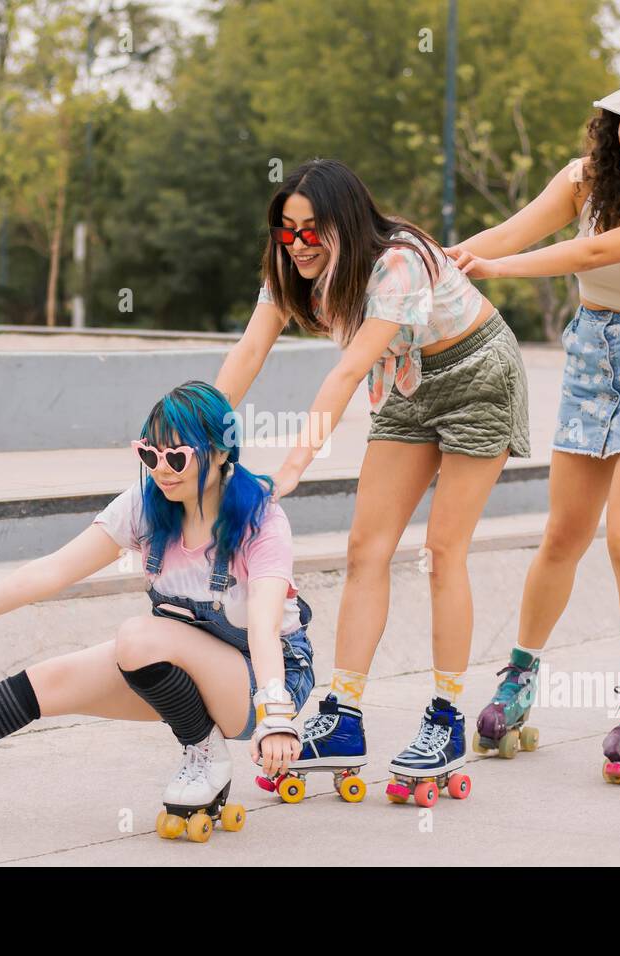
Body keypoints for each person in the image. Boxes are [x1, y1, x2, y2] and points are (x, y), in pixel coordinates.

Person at [0, 381, 316, 846]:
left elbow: (267, 626)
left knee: (137, 637)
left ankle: (204, 751)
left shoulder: (261, 520)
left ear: (222, 453)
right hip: (176, 665)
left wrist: (275, 718)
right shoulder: (146, 504)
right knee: (48, 681)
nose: (161, 470)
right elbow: (53, 571)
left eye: (176, 457)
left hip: (263, 681)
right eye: (148, 454)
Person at [216, 158, 530, 803]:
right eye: (287, 230)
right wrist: (195, 432)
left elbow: (347, 371)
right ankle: (345, 715)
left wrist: (296, 463)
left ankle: (445, 717)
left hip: (478, 376)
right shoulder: (287, 270)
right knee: (366, 549)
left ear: (346, 224)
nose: (298, 244)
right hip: (409, 385)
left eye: (314, 230)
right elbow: (248, 351)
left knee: (443, 552)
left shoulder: (399, 260)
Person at [447, 64, 620, 784]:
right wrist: (456, 260)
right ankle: (519, 679)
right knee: (563, 533)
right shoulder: (583, 176)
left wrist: (501, 273)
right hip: (593, 356)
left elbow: (594, 253)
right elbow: (514, 228)